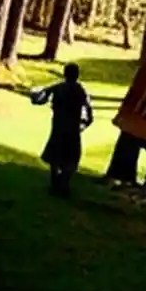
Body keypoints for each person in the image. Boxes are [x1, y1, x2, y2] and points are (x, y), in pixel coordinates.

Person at [31, 63, 93, 197]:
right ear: (77, 75)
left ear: (65, 74)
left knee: (55, 156)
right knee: (72, 158)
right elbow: (88, 110)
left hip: (58, 127)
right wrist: (85, 123)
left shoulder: (58, 88)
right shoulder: (80, 90)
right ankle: (63, 183)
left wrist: (35, 95)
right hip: (73, 129)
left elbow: (40, 97)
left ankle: (55, 183)